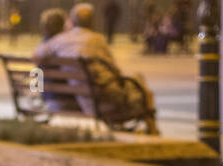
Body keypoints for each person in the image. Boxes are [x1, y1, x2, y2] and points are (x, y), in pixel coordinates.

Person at [33, 3, 158, 133]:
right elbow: (115, 71)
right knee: (141, 84)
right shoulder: (96, 39)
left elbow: (35, 58)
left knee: (136, 84)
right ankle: (153, 130)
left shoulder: (57, 43)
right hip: (97, 98)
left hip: (74, 97)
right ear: (92, 21)